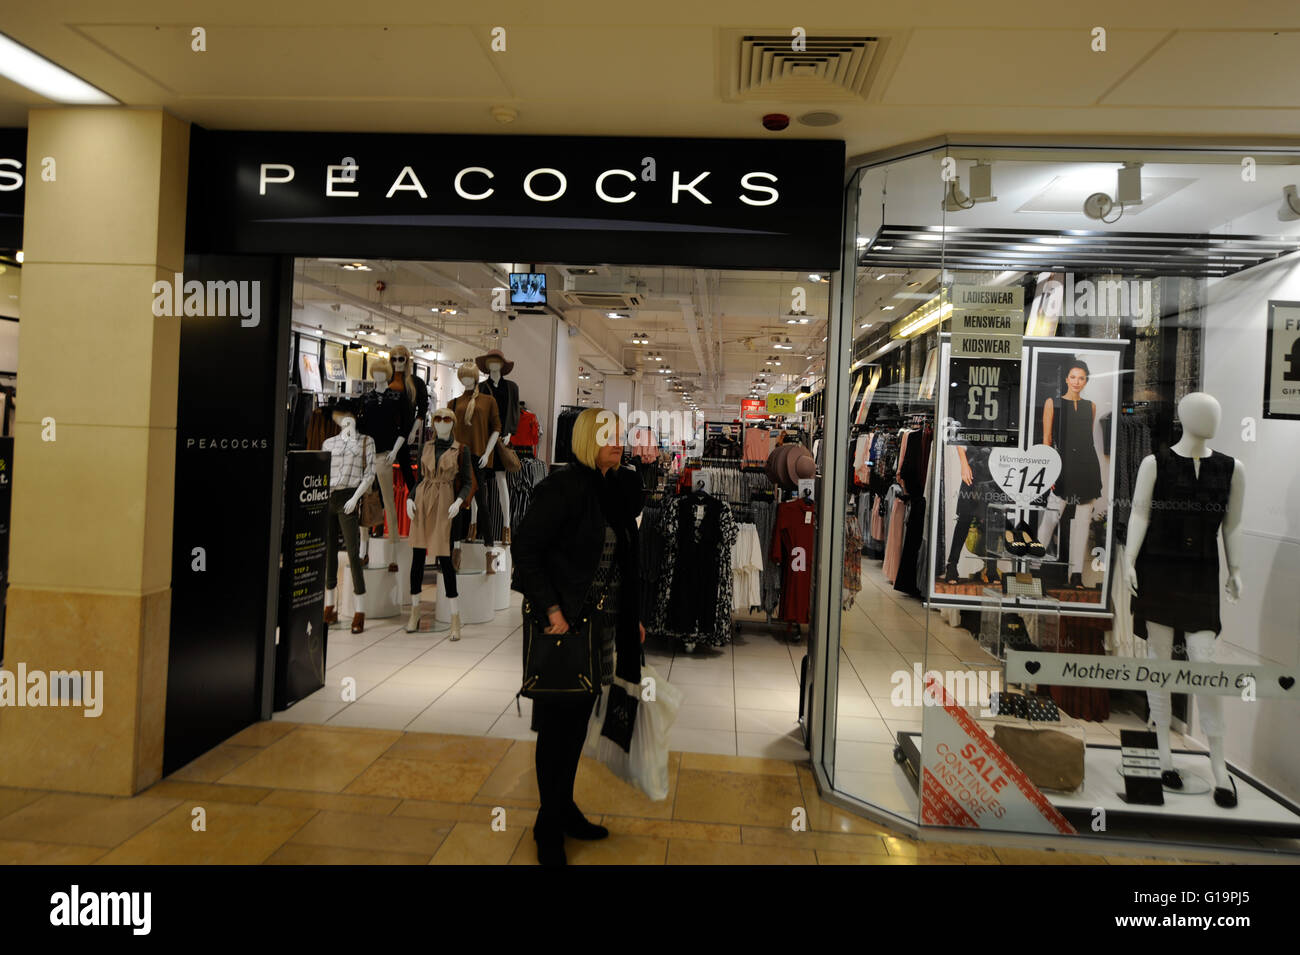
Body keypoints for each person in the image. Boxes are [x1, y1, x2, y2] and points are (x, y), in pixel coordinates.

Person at [511, 407, 646, 866]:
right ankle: (548, 825)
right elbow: (526, 549)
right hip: (565, 630)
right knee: (555, 730)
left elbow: (623, 561)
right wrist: (551, 609)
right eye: (608, 436)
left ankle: (563, 809)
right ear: (588, 439)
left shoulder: (613, 490)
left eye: (621, 436)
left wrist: (633, 616)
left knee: (576, 729)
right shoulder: (563, 487)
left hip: (603, 629)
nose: (618, 443)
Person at [1036, 358, 1104, 588]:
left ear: (1086, 381)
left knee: (1083, 522)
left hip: (1087, 467)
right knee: (1051, 517)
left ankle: (1076, 575)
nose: (1077, 381)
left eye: (1081, 378)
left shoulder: (1090, 406)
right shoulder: (1052, 403)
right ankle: (1032, 566)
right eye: (1073, 377)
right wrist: (1050, 471)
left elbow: (1087, 440)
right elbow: (1047, 441)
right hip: (1062, 467)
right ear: (1066, 379)